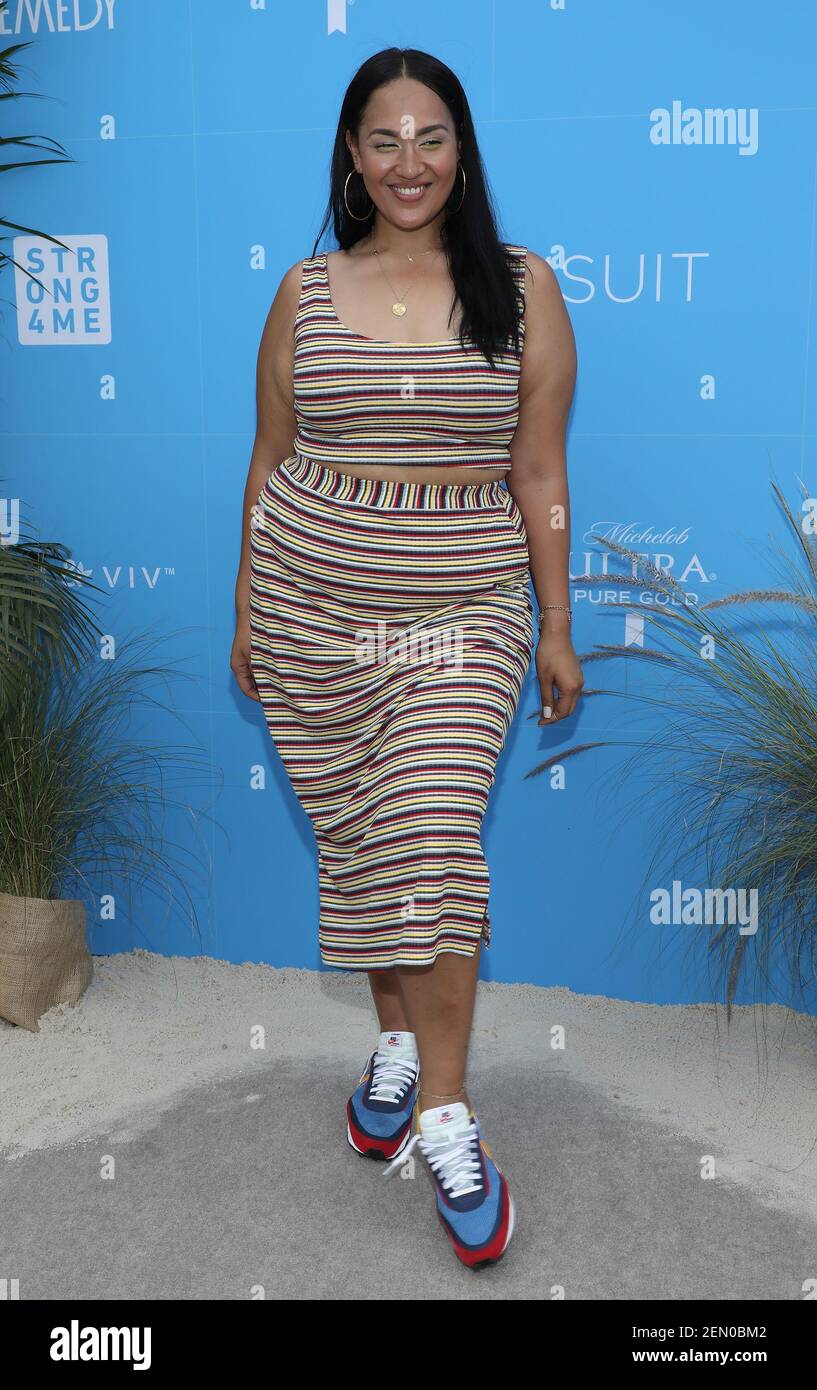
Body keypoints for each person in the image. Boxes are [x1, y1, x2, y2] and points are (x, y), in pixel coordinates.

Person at [231, 47, 580, 1271]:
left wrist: (551, 622)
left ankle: (442, 1109)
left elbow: (537, 475)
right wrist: (245, 615)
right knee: (365, 839)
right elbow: (270, 462)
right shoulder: (304, 291)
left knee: (429, 828)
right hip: (310, 609)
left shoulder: (523, 289)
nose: (409, 161)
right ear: (350, 156)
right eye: (384, 139)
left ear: (463, 151)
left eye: (432, 136)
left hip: (463, 616)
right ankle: (392, 1039)